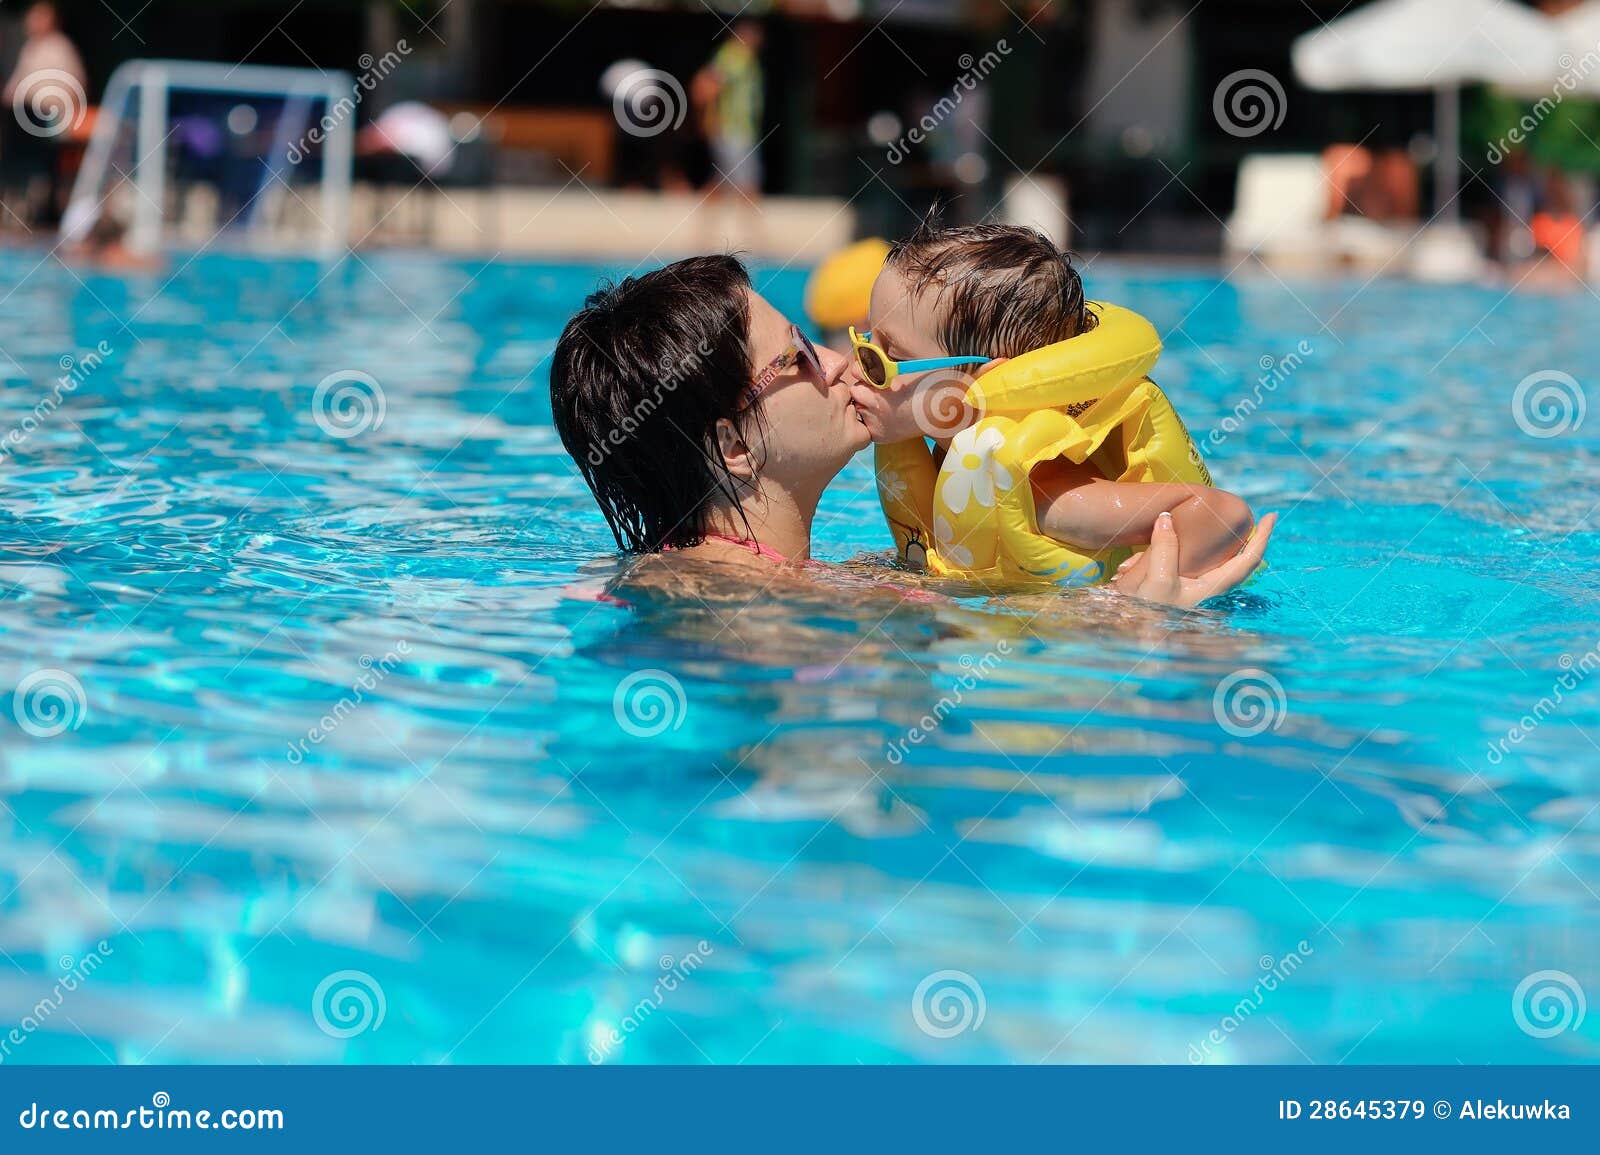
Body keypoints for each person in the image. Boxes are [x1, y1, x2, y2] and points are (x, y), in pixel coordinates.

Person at [548, 254, 1274, 609]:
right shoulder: (734, 601)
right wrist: (1130, 621)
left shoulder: (810, 581)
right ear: (735, 446)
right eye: (799, 358)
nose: (839, 363)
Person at [849, 221, 1256, 584]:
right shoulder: (950, 450)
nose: (856, 366)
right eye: (866, 341)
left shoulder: (1048, 491)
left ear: (979, 382)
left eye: (889, 358)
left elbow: (1222, 516)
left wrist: (1131, 602)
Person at [1, 2, 86, 228]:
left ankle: (45, 214)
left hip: (48, 119)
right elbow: (14, 88)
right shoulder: (31, 48)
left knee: (45, 165)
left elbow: (74, 85)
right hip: (23, 121)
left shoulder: (60, 47)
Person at [693, 21, 764, 197]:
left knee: (723, 182)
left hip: (740, 131)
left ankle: (702, 224)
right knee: (747, 184)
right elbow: (702, 87)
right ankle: (755, 225)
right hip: (731, 131)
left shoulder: (744, 58)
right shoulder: (733, 57)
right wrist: (707, 118)